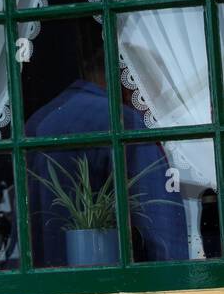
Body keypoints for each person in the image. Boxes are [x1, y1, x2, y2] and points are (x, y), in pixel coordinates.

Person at [26, 24, 187, 267]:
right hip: (112, 284)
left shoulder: (38, 122)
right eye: (149, 93)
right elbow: (162, 230)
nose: (147, 107)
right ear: (131, 79)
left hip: (42, 284)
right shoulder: (123, 123)